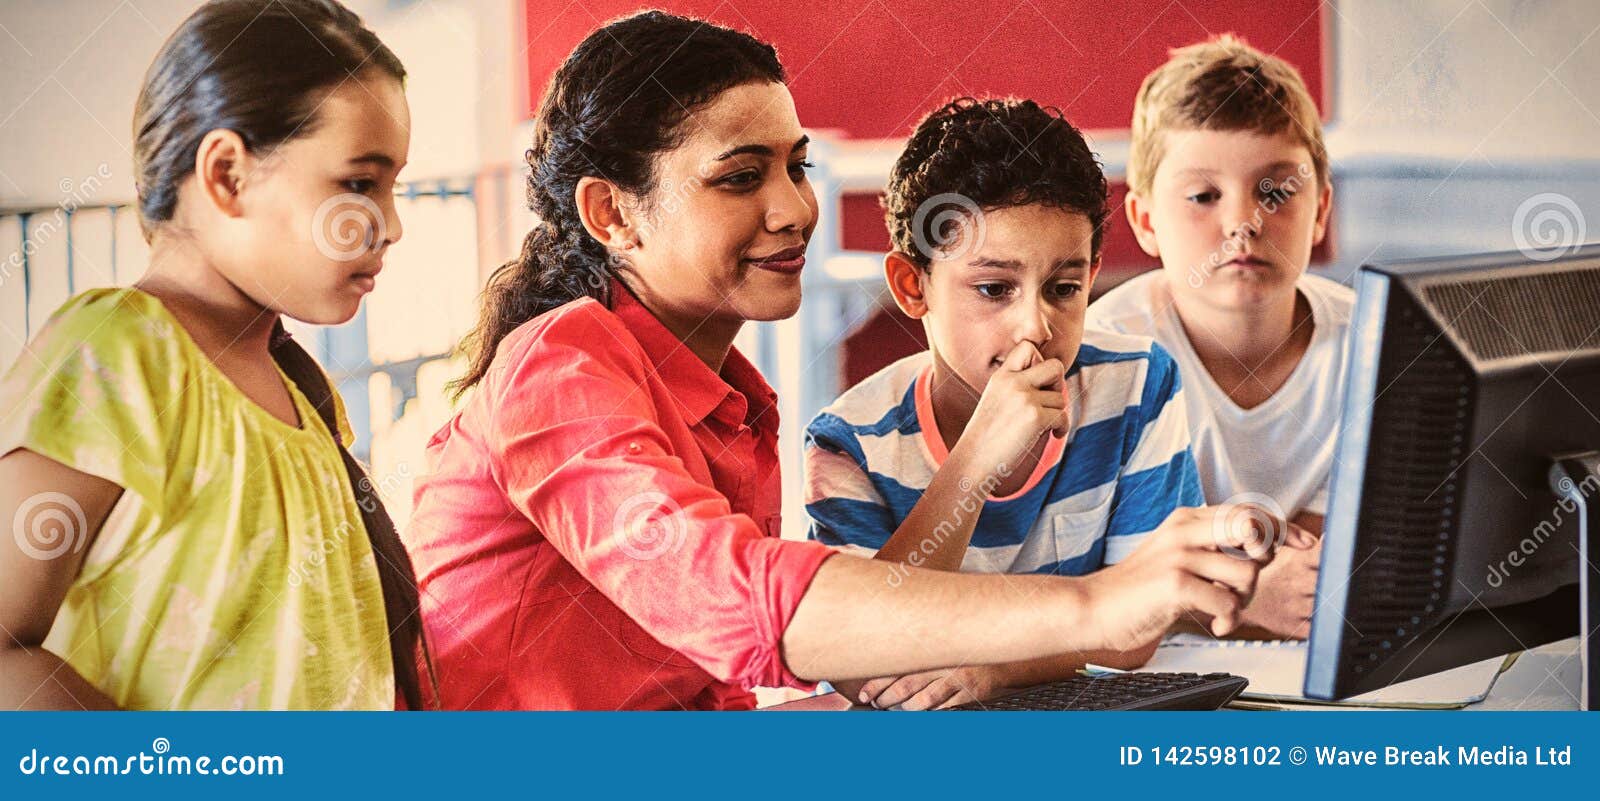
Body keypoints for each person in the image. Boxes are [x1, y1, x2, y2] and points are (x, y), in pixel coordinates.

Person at [406, 11, 1278, 711]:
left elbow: (729, 680)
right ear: (612, 213)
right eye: (741, 176)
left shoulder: (734, 400)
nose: (796, 210)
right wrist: (1100, 603)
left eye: (797, 166)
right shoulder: (556, 368)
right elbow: (746, 600)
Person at [0, 0, 428, 710]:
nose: (391, 225)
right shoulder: (115, 355)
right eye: (358, 183)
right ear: (227, 175)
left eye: (393, 187)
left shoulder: (304, 395)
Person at [1087, 36, 1349, 640]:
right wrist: (1239, 599)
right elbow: (1085, 573)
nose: (1242, 222)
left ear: (1321, 211)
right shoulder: (1106, 354)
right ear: (1146, 221)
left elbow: (1343, 558)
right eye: (1204, 196)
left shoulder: (1376, 344)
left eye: (1277, 192)